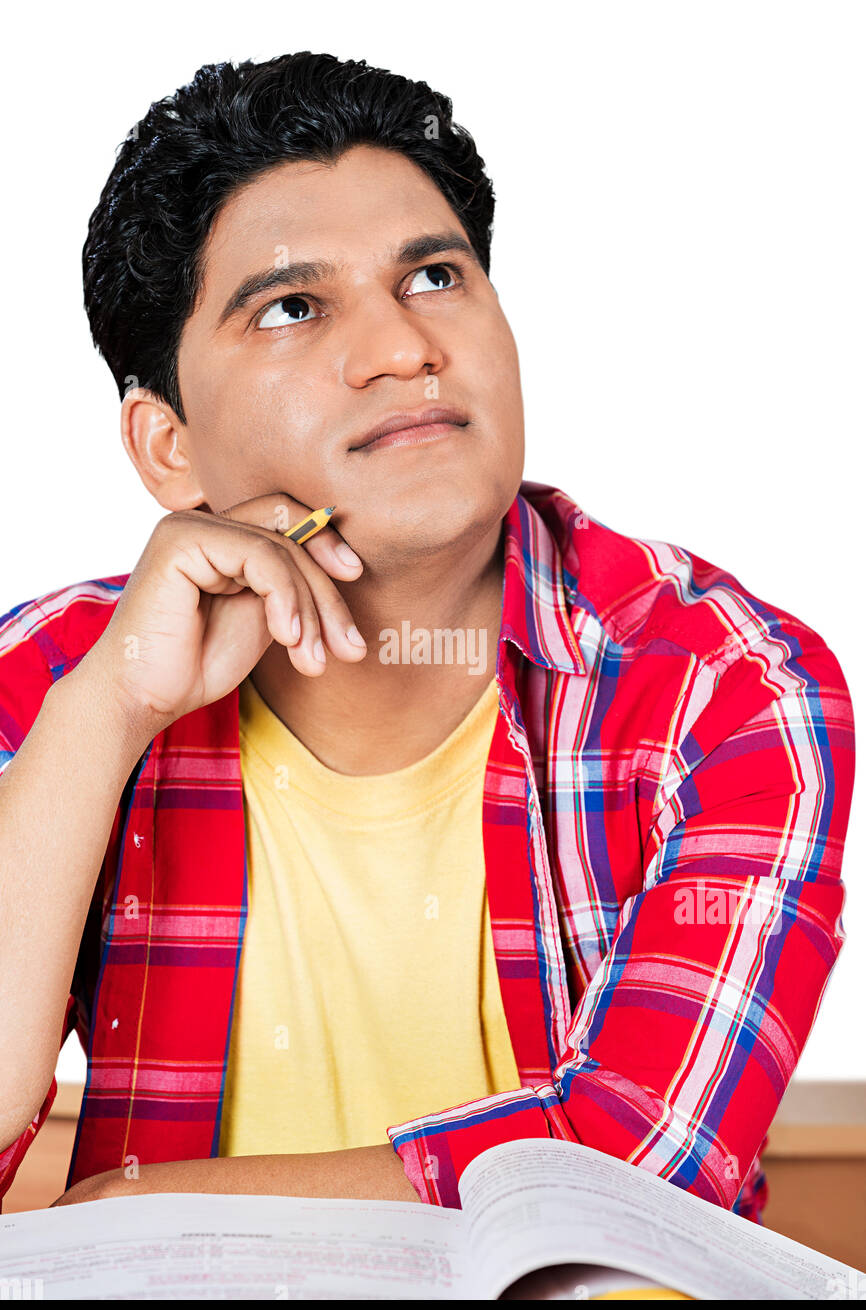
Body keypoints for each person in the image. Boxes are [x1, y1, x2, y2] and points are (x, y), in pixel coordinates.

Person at [0, 52, 854, 1220]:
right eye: (293, 307)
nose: (404, 348)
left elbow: (642, 1162)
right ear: (167, 449)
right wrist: (105, 716)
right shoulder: (53, 681)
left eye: (435, 276)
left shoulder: (723, 687)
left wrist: (145, 1214)